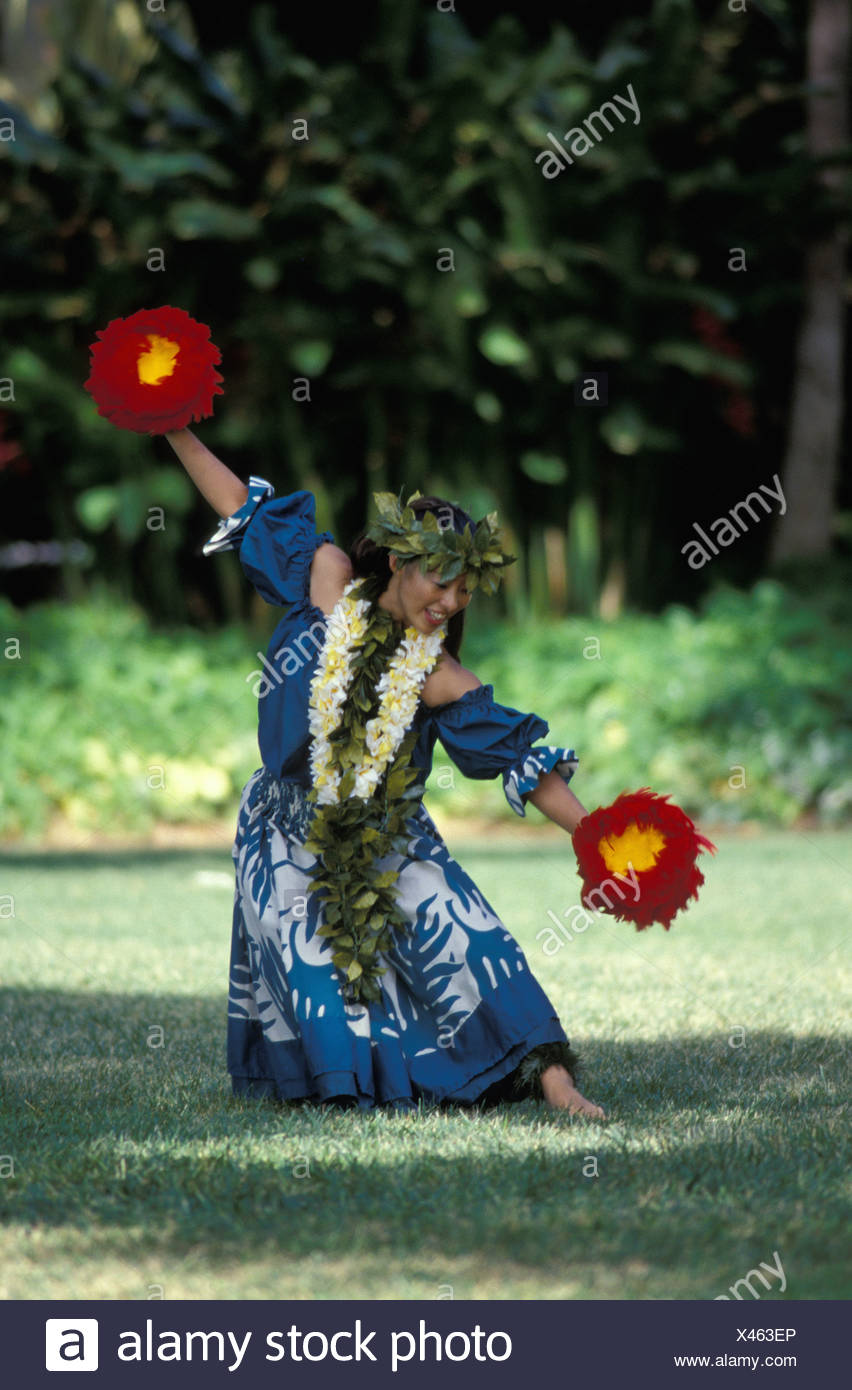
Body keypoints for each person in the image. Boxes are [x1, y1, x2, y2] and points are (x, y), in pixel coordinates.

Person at [165, 426, 606, 1120]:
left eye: (467, 590)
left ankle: (556, 1083)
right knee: (324, 982)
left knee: (475, 939)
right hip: (283, 824)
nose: (452, 602)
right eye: (442, 580)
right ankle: (351, 1081)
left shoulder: (436, 671)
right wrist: (174, 426)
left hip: (389, 828)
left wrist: (599, 836)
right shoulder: (326, 576)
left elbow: (517, 759)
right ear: (400, 558)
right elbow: (239, 509)